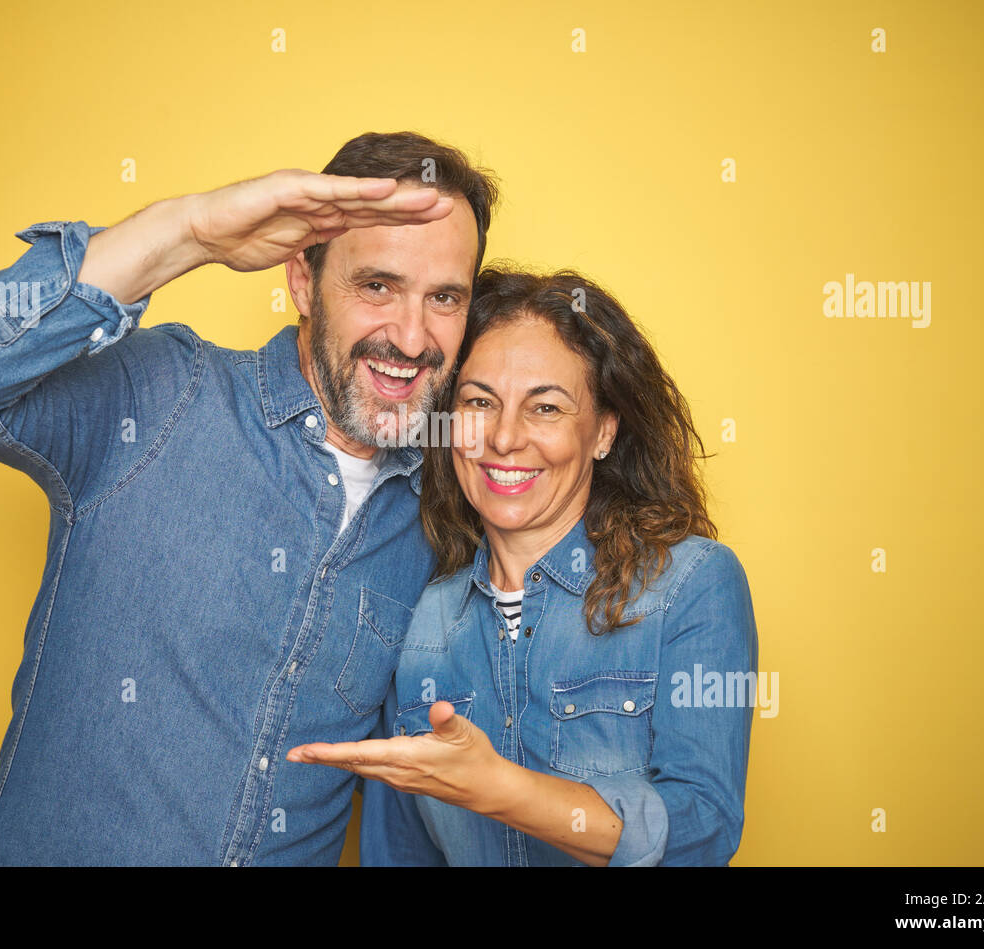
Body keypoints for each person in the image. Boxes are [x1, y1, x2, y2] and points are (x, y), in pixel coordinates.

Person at [0, 132, 500, 865]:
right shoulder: (163, 396)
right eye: (377, 286)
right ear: (302, 278)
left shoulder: (450, 506)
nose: (410, 335)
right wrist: (188, 232)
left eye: (445, 298)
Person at [288, 267, 758, 865]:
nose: (505, 438)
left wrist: (504, 791)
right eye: (479, 402)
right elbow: (399, 851)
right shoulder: (416, 616)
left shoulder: (693, 584)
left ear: (604, 432)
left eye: (546, 408)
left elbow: (704, 830)